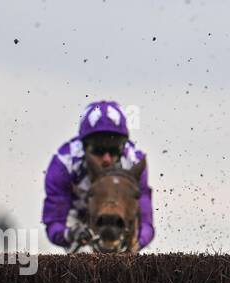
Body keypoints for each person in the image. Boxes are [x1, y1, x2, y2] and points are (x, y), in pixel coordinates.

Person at [42, 100, 154, 250]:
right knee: (85, 255)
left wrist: (137, 243)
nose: (107, 158)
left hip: (121, 221)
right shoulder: (63, 164)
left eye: (114, 148)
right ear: (84, 146)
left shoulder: (135, 161)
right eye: (99, 148)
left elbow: (146, 223)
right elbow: (54, 223)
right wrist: (70, 234)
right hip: (78, 215)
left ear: (123, 147)